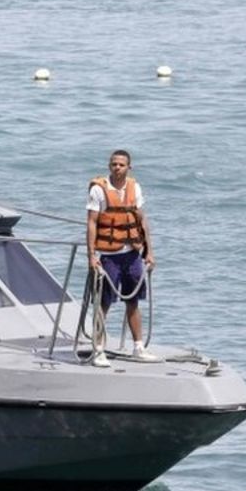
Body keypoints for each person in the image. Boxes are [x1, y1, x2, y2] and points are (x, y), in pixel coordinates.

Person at [85, 149, 158, 367]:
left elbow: (142, 219)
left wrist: (149, 251)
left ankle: (138, 347)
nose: (117, 168)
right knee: (103, 304)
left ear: (129, 167)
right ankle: (98, 349)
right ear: (109, 166)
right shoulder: (99, 190)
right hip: (109, 257)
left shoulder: (135, 187)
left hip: (132, 255)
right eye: (114, 164)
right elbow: (91, 223)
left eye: (121, 165)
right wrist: (91, 256)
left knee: (133, 301)